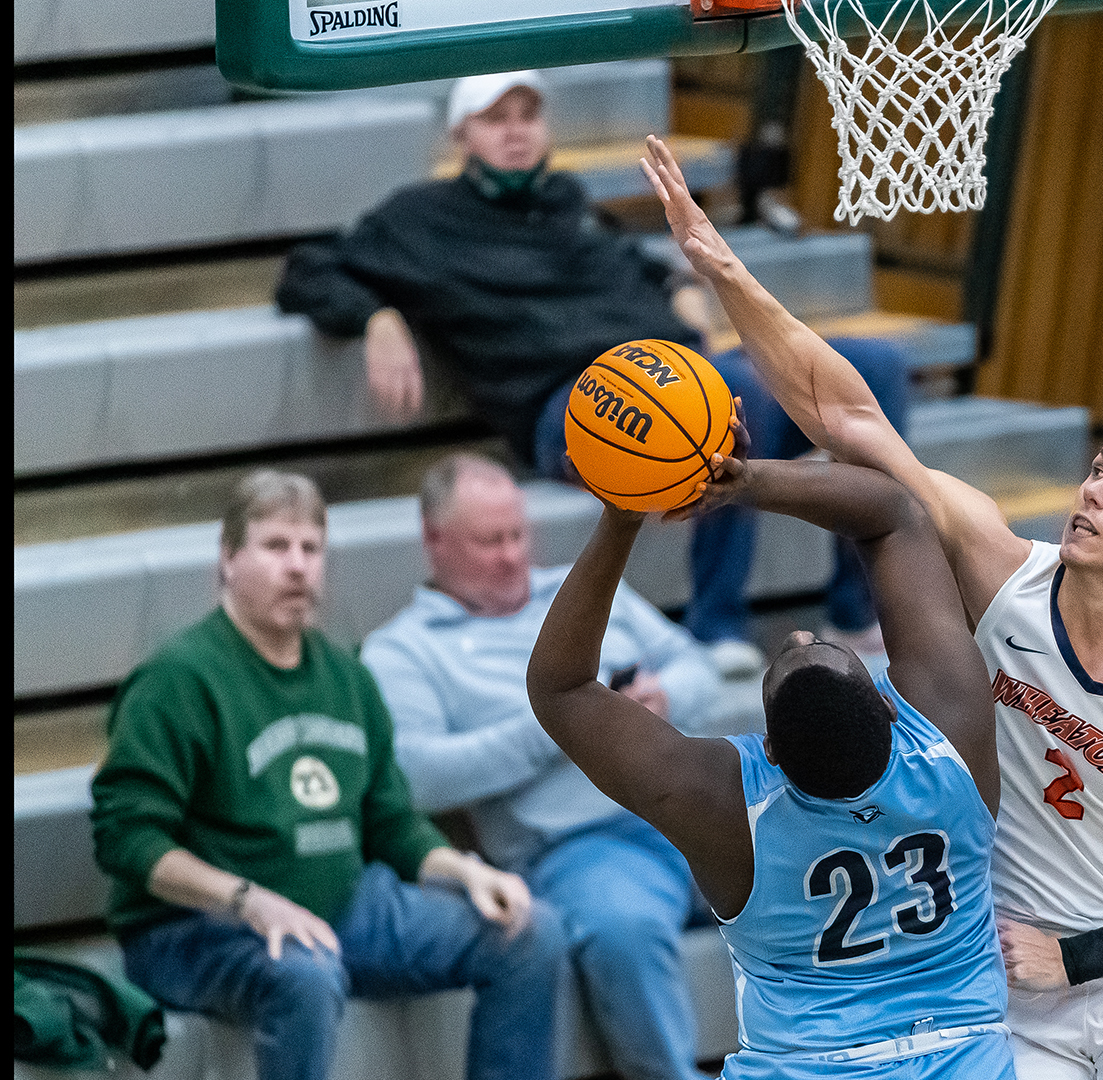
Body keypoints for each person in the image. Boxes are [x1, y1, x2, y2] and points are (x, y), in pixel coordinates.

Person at [639, 137, 1103, 1078]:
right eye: (1098, 468)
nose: (1095, 491)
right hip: (998, 979)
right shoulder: (1000, 569)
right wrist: (726, 268)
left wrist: (1084, 954)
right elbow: (849, 419)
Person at [274, 69, 913, 676]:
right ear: (460, 135)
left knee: (877, 369)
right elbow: (308, 270)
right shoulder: (419, 218)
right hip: (570, 404)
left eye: (529, 114)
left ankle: (858, 611)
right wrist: (377, 316)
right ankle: (716, 623)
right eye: (495, 118)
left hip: (670, 370)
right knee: (729, 396)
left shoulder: (566, 202)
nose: (517, 130)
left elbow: (623, 259)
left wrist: (672, 280)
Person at [527, 453, 1015, 1078]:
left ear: (772, 753)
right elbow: (893, 515)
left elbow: (559, 689)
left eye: (796, 649)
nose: (803, 636)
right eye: (817, 645)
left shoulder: (730, 805)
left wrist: (623, 518)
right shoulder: (952, 739)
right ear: (893, 710)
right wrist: (752, 480)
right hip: (963, 1053)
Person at [89, 469, 566, 1080]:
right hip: (193, 929)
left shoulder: (347, 677)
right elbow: (126, 840)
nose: (297, 567)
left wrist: (466, 870)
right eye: (275, 547)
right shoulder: (177, 681)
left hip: (343, 907)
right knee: (306, 976)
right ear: (228, 561)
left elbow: (390, 821)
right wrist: (248, 902)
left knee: (529, 931)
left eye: (311, 549)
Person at [360, 452, 726, 1080]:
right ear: (434, 541)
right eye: (488, 541)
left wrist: (663, 694)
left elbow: (703, 667)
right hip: (576, 847)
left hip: (692, 811)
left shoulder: (574, 589)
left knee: (815, 870)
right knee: (624, 930)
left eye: (517, 534)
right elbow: (414, 775)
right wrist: (562, 719)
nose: (510, 555)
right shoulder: (403, 650)